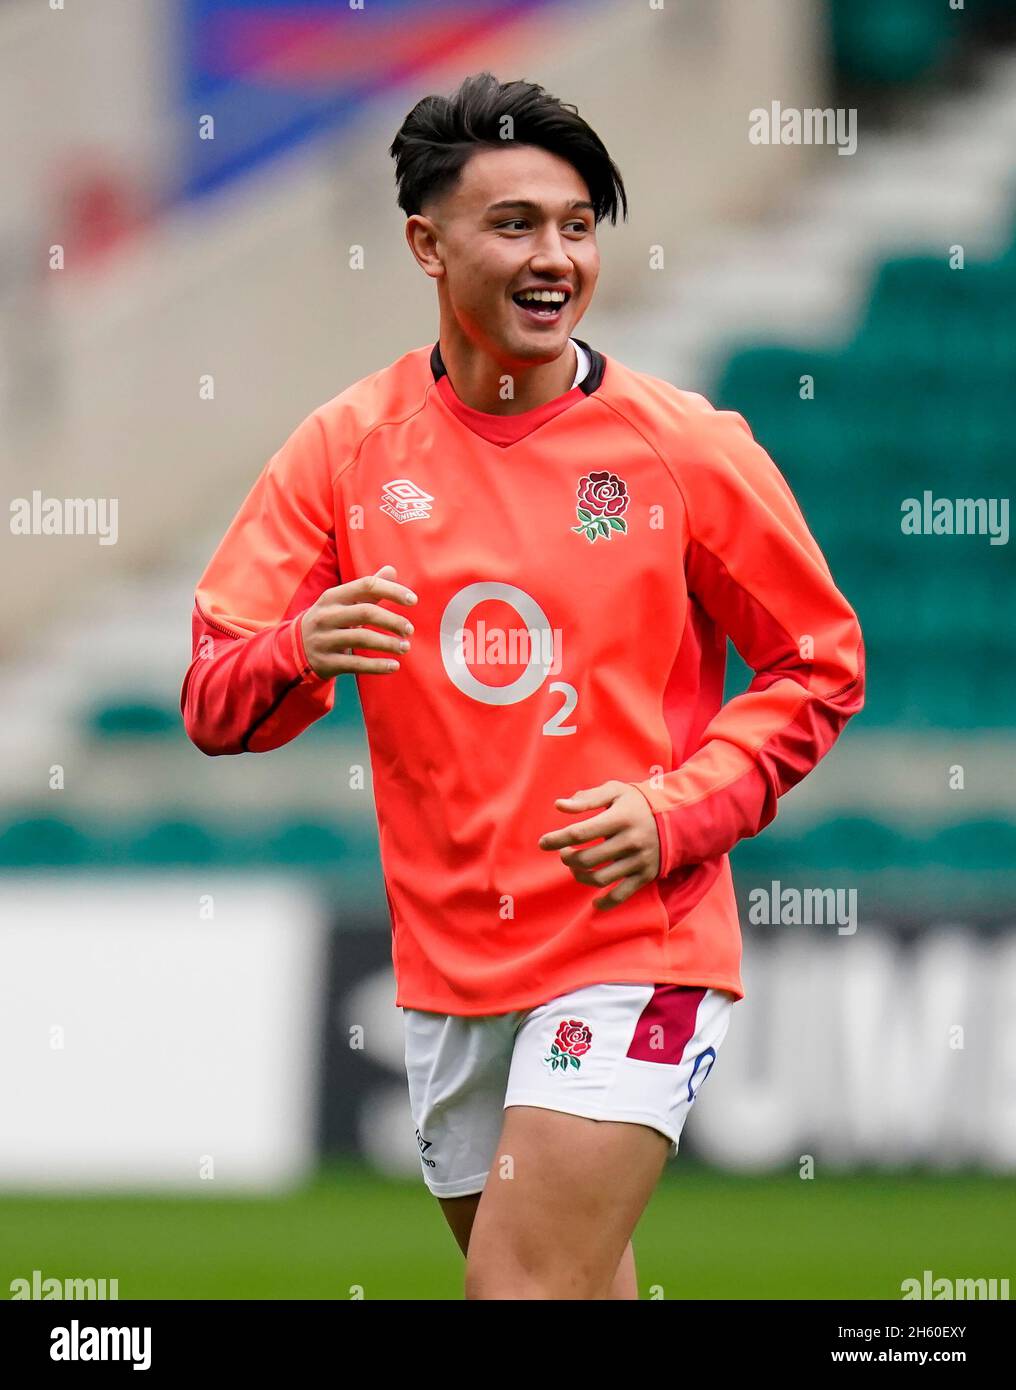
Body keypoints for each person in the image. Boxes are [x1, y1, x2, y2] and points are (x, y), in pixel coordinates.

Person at [181, 71, 865, 1300]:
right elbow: (216, 693)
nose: (554, 256)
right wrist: (300, 648)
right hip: (447, 973)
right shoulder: (343, 452)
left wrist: (676, 811)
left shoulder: (684, 449)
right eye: (514, 225)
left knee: (519, 1290)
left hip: (633, 944)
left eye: (576, 225)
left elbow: (819, 662)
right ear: (424, 245)